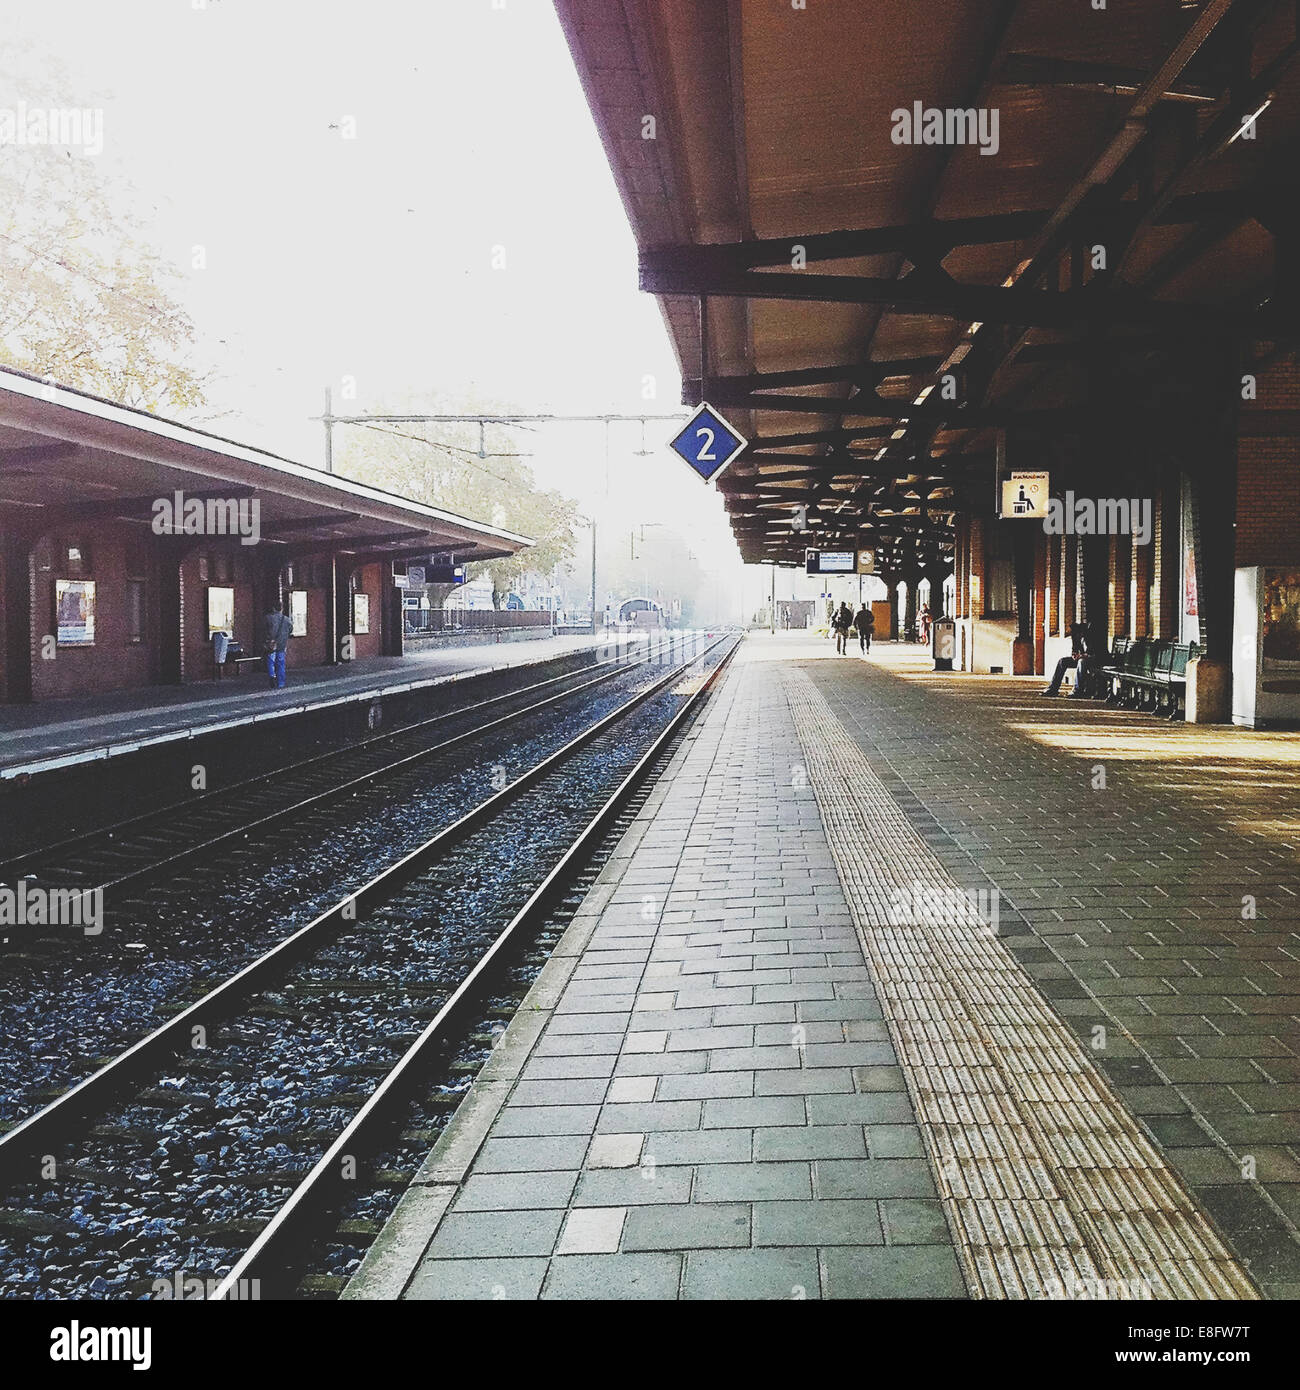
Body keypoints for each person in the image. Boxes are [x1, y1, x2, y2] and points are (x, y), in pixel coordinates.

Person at [1043, 621, 1093, 698]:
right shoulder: (1076, 637)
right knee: (1062, 661)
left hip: (1092, 660)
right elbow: (1075, 650)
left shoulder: (1091, 638)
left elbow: (1092, 653)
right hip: (1081, 658)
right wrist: (1074, 655)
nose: (1079, 635)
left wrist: (1081, 656)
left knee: (1081, 662)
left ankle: (1077, 690)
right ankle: (1053, 688)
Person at [262, 599, 293, 689]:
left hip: (271, 644)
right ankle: (281, 683)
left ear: (273, 608)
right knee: (281, 663)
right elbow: (290, 630)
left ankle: (272, 675)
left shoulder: (268, 618)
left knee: (270, 661)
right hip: (282, 644)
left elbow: (263, 630)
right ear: (281, 608)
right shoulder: (286, 619)